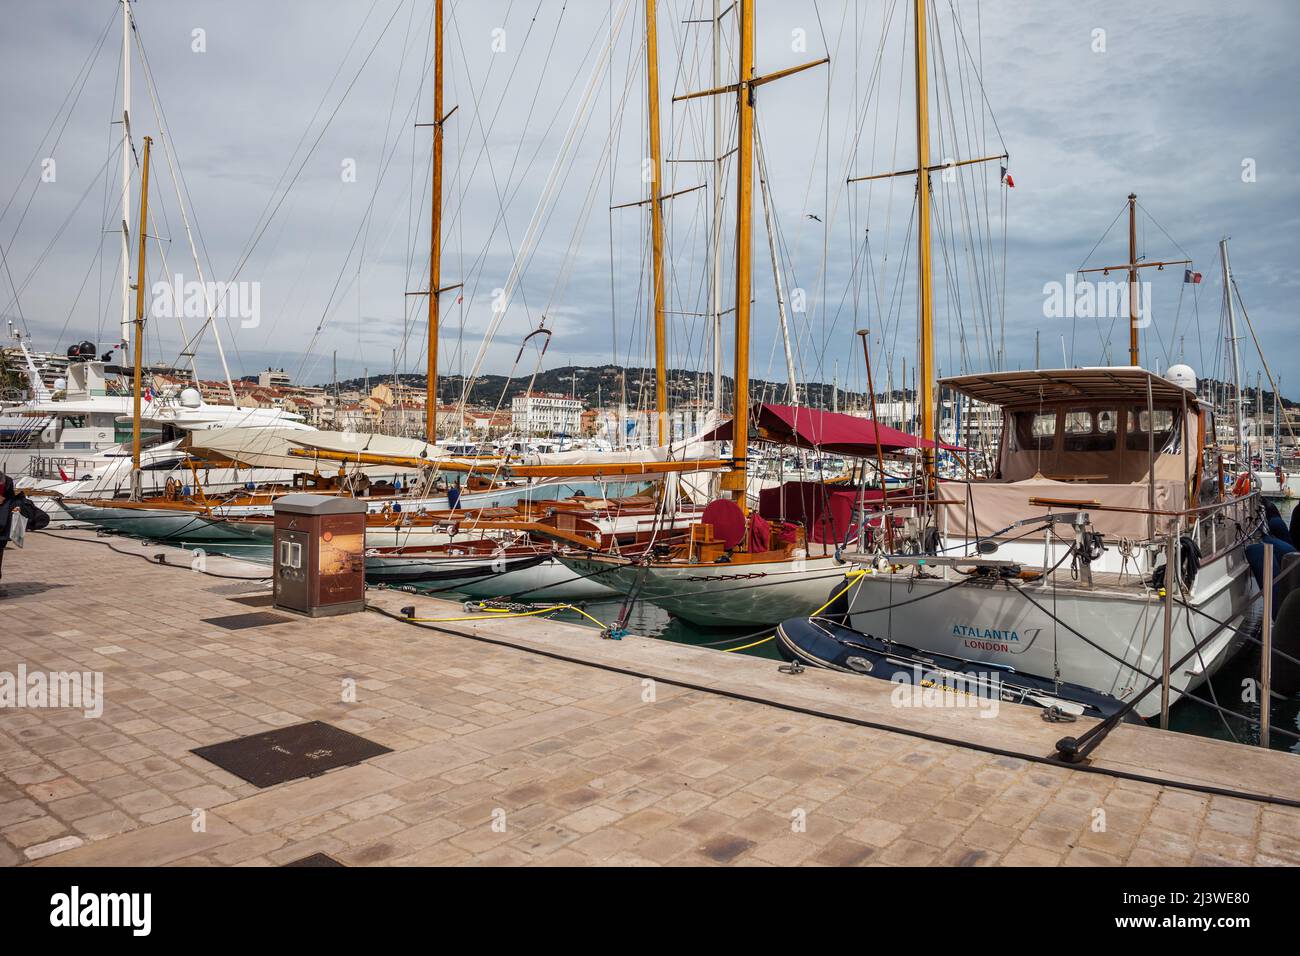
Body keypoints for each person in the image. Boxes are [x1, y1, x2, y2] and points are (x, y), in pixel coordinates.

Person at [0, 473, 49, 584]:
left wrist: (16, 506)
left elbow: (10, 498)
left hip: (3, 524)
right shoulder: (6, 480)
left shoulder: (7, 480)